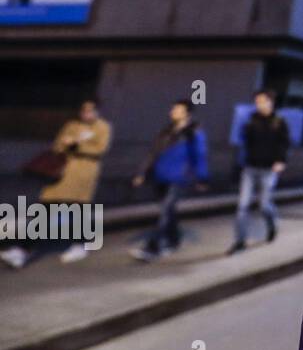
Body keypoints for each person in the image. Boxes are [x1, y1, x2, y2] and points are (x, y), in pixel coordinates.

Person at [0, 99, 112, 269]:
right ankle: (23, 249)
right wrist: (67, 144)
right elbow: (58, 145)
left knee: (78, 210)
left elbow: (99, 149)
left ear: (97, 111)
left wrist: (76, 144)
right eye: (84, 110)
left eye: (90, 110)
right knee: (45, 208)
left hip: (83, 176)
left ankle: (79, 245)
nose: (86, 114)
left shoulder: (102, 127)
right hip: (61, 173)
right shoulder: (72, 125)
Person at [130, 100, 207, 262]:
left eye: (177, 109)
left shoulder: (193, 132)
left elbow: (199, 156)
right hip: (161, 176)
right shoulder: (166, 131)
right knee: (169, 211)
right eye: (173, 108)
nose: (173, 111)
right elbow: (153, 152)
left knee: (165, 211)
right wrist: (142, 172)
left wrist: (202, 177)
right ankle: (174, 240)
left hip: (180, 177)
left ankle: (153, 247)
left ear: (187, 113)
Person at [227, 89, 290, 255]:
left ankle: (272, 225)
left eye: (262, 101)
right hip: (250, 167)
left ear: (271, 102)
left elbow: (284, 143)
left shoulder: (279, 121)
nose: (259, 104)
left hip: (269, 169)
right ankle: (240, 241)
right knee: (242, 205)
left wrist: (280, 161)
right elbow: (244, 142)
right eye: (257, 102)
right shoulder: (251, 120)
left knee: (264, 205)